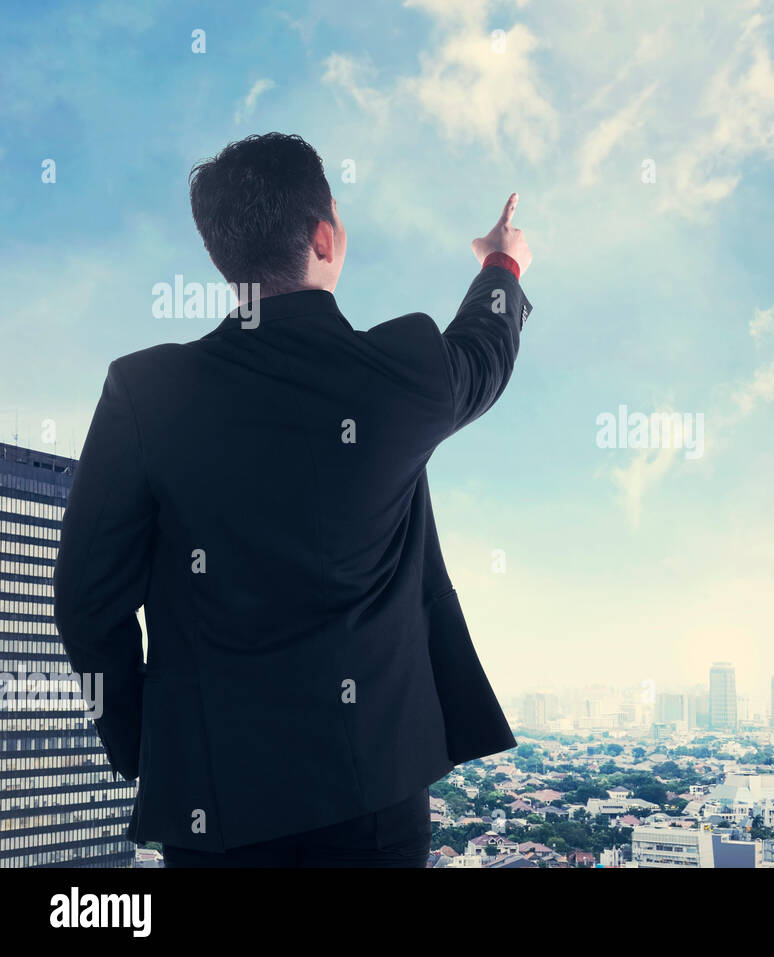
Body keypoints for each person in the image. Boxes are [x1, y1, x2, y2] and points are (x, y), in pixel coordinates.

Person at [52, 132, 533, 866]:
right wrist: (502, 261)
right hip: (373, 792)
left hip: (212, 803)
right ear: (323, 235)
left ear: (222, 255)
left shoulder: (146, 393)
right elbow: (485, 349)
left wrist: (149, 736)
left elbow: (86, 605)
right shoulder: (401, 370)